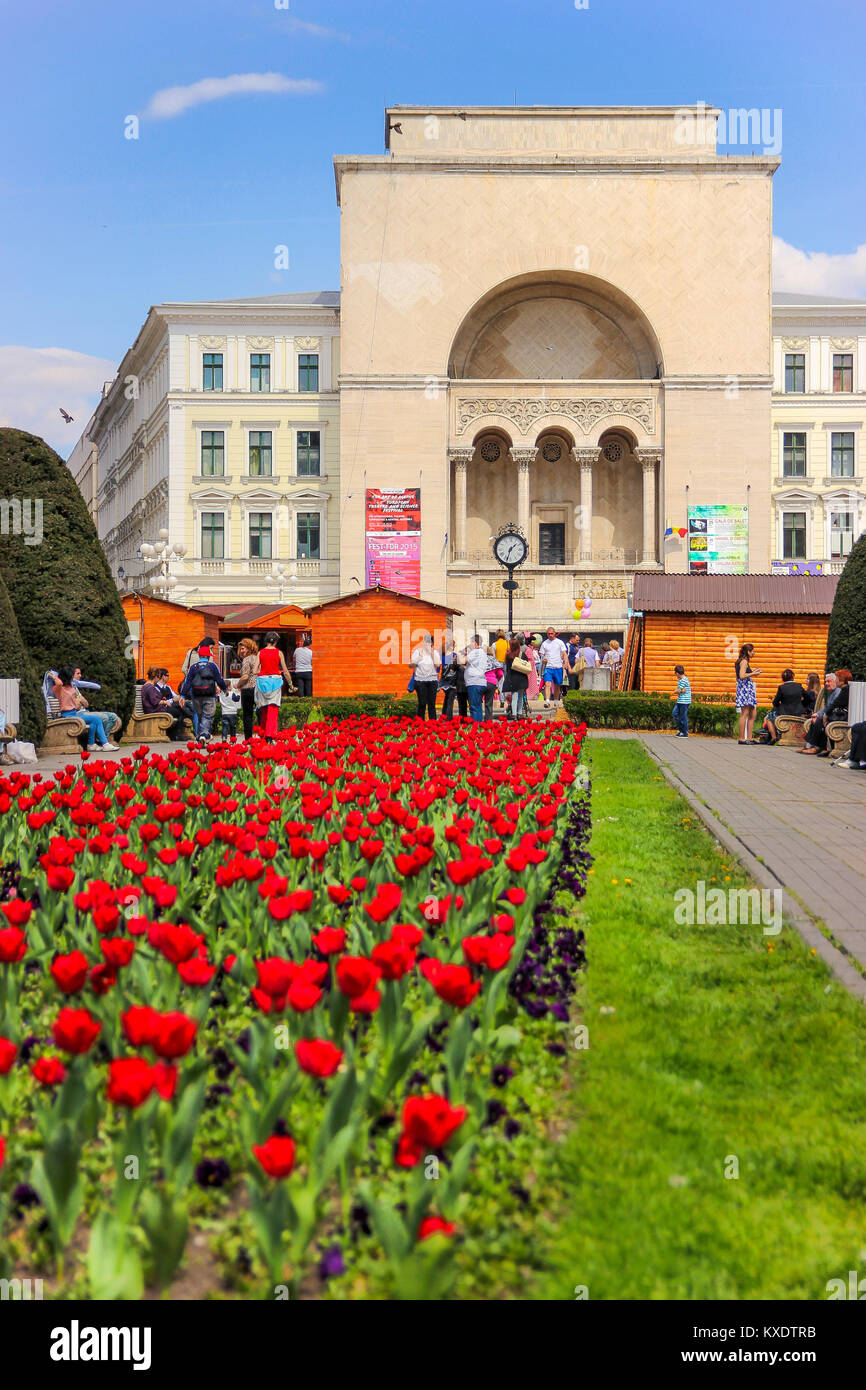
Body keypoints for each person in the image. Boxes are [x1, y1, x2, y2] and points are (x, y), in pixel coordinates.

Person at [53, 665, 120, 751]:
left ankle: (91, 744)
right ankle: (104, 744)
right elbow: (59, 683)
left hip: (74, 713)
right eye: (71, 677)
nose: (72, 679)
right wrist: (53, 676)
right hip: (67, 715)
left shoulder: (71, 687)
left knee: (94, 721)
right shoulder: (59, 689)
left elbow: (78, 703)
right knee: (96, 719)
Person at [179, 640, 228, 742]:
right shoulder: (213, 666)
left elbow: (187, 682)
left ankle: (199, 734)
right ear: (208, 656)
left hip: (196, 695)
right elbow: (219, 679)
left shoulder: (193, 667)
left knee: (199, 715)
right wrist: (225, 689)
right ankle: (203, 734)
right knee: (207, 715)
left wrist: (182, 695)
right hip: (209, 694)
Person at [252, 632, 295, 738]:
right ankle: (270, 734)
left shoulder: (260, 653)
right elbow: (285, 671)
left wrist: (263, 672)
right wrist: (291, 685)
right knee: (273, 708)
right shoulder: (279, 653)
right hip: (275, 682)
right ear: (276, 641)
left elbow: (254, 670)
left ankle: (262, 732)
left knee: (264, 708)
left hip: (262, 683)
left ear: (266, 641)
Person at [798, 669, 850, 755]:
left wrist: (823, 715)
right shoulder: (832, 692)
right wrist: (817, 714)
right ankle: (811, 746)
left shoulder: (838, 691)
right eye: (825, 682)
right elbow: (826, 708)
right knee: (817, 719)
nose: (826, 684)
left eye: (829, 681)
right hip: (832, 715)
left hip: (839, 717)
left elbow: (833, 708)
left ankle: (816, 747)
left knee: (819, 721)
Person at [141, 666, 192, 741]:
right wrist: (165, 702)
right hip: (154, 711)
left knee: (179, 708)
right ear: (155, 677)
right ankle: (191, 717)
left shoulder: (148, 686)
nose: (158, 679)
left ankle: (176, 734)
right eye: (158, 677)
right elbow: (155, 701)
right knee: (179, 710)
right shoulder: (150, 687)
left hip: (156, 709)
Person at [762, 669, 809, 745]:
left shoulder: (781, 687)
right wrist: (802, 704)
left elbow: (775, 702)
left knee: (769, 718)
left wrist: (779, 706)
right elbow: (808, 698)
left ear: (783, 678)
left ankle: (774, 738)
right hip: (798, 712)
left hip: (784, 714)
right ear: (793, 677)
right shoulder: (799, 686)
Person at [409, 633, 441, 721]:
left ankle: (433, 724)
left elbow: (438, 664)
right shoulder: (417, 651)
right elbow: (411, 665)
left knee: (431, 704)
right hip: (420, 680)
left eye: (429, 642)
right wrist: (419, 657)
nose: (427, 644)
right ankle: (420, 724)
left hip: (432, 680)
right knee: (422, 703)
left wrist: (431, 653)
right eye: (426, 642)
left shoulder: (435, 652)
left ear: (432, 643)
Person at [734, 643, 761, 744]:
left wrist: (752, 671)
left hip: (746, 689)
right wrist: (753, 673)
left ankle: (749, 738)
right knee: (745, 713)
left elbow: (741, 674)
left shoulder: (742, 661)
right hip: (745, 689)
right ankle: (741, 738)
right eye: (752, 651)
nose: (754, 653)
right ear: (748, 651)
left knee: (753, 713)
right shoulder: (744, 661)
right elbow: (741, 675)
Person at [235, 637, 259, 740]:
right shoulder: (258, 658)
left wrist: (238, 684)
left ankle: (248, 739)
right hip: (258, 689)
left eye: (243, 648)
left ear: (249, 648)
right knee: (260, 713)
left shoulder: (246, 659)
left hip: (248, 689)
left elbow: (245, 676)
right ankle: (263, 736)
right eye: (241, 649)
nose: (241, 651)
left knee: (247, 716)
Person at [539, 626, 569, 708]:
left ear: (554, 633)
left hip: (558, 666)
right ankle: (547, 701)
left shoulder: (559, 642)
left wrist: (566, 662)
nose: (550, 635)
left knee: (557, 685)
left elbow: (564, 653)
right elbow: (541, 655)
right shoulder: (544, 643)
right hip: (548, 667)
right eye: (548, 634)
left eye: (552, 633)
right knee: (547, 683)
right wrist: (543, 660)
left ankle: (556, 701)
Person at [462, 635, 489, 722]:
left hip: (474, 682)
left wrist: (457, 658)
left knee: (473, 707)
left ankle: (476, 727)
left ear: (476, 643)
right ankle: (479, 726)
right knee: (477, 707)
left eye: (471, 643)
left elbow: (463, 660)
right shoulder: (483, 653)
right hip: (480, 681)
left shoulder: (475, 652)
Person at [502, 637, 530, 719]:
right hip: (522, 677)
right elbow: (527, 664)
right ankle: (519, 713)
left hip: (513, 677)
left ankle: (514, 714)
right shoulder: (522, 654)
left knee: (514, 697)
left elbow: (507, 669)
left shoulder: (508, 655)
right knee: (521, 697)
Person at [439, 643, 468, 719]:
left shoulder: (442, 656)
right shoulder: (453, 655)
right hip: (452, 681)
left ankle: (443, 716)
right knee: (450, 701)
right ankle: (448, 718)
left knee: (447, 698)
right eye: (454, 646)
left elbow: (439, 668)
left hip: (444, 680)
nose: (455, 647)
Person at [484, 645, 503, 721]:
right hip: (492, 683)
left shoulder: (481, 659)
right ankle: (488, 719)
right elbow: (501, 673)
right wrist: (496, 679)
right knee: (489, 703)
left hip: (481, 682)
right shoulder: (494, 660)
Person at [672, 664, 691, 736]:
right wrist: (680, 690)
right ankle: (681, 730)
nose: (676, 675)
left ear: (677, 673)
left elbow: (678, 690)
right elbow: (680, 690)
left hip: (684, 702)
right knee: (675, 713)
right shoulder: (682, 680)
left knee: (683, 716)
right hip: (680, 700)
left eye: (675, 674)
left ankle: (685, 732)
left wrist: (676, 691)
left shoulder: (683, 680)